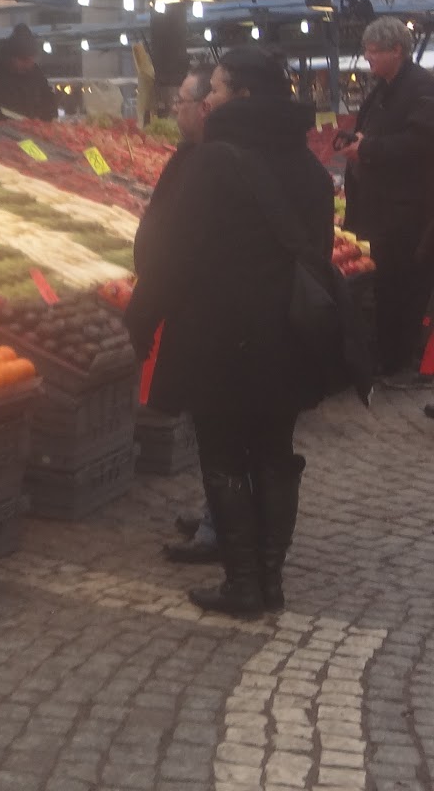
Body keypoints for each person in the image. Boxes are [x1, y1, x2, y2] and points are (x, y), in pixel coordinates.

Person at [125, 47, 334, 618]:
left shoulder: (214, 162)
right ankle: (271, 580)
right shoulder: (311, 168)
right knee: (274, 453)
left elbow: (172, 257)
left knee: (223, 454)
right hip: (288, 338)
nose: (207, 98)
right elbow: (317, 253)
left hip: (220, 336)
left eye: (214, 88)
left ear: (242, 96)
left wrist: (138, 324)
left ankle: (244, 583)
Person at [134, 65, 220, 566]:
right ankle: (217, 510)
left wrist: (144, 313)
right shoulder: (193, 155)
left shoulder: (212, 163)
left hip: (209, 313)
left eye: (183, 101)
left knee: (222, 425)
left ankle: (222, 527)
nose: (176, 110)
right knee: (209, 423)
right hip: (197, 307)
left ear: (206, 105)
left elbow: (180, 245)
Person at [340, 16, 434, 387]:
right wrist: (356, 140)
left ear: (397, 50)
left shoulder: (422, 87)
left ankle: (401, 362)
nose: (367, 58)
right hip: (381, 209)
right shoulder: (384, 87)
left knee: (405, 285)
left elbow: (420, 142)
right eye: (366, 50)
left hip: (410, 210)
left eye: (374, 51)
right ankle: (388, 357)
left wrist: (369, 148)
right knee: (386, 284)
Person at [0, 24, 57, 121]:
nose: (28, 65)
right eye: (24, 60)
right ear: (9, 56)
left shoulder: (35, 74)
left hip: (29, 131)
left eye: (32, 60)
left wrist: (44, 118)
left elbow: (48, 100)